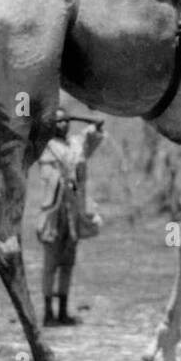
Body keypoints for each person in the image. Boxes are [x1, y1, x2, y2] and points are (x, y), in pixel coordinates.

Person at [37, 109, 105, 326]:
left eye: (66, 121)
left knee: (68, 263)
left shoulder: (78, 144)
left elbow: (98, 125)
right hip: (53, 213)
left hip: (73, 212)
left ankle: (63, 311)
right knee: (50, 264)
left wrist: (77, 117)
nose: (63, 125)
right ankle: (48, 313)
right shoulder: (44, 146)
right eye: (58, 122)